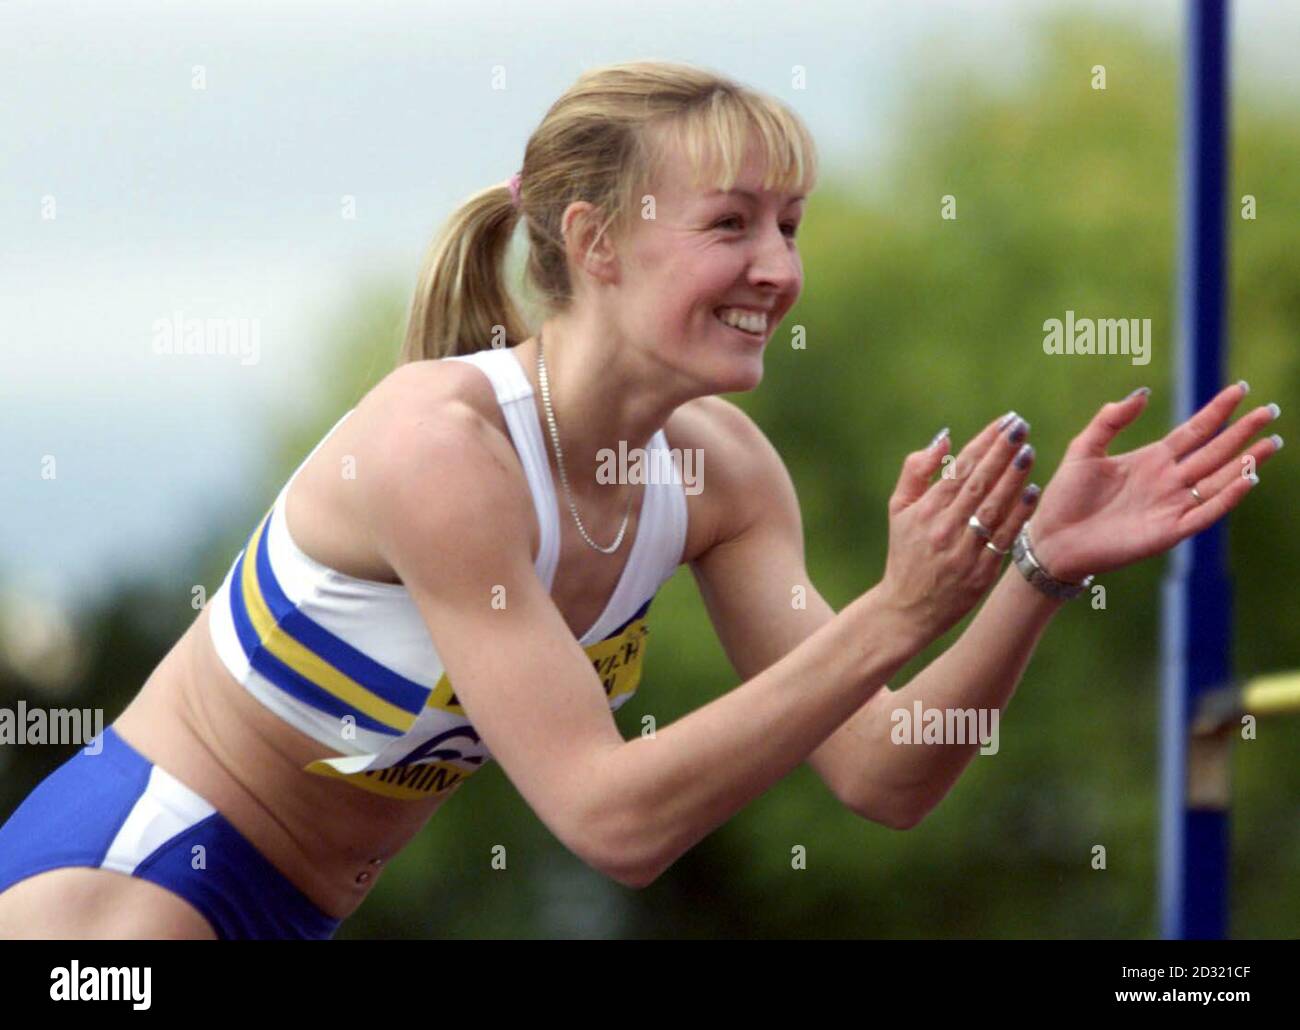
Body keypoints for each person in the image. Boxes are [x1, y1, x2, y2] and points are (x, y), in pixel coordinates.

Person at [0, 59, 1282, 940]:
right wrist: (892, 615)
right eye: (732, 224)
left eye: (792, 224)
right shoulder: (439, 445)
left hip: (303, 909)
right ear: (595, 242)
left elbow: (884, 772)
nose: (777, 268)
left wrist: (1035, 572)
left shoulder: (718, 473)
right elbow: (611, 820)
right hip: (124, 888)